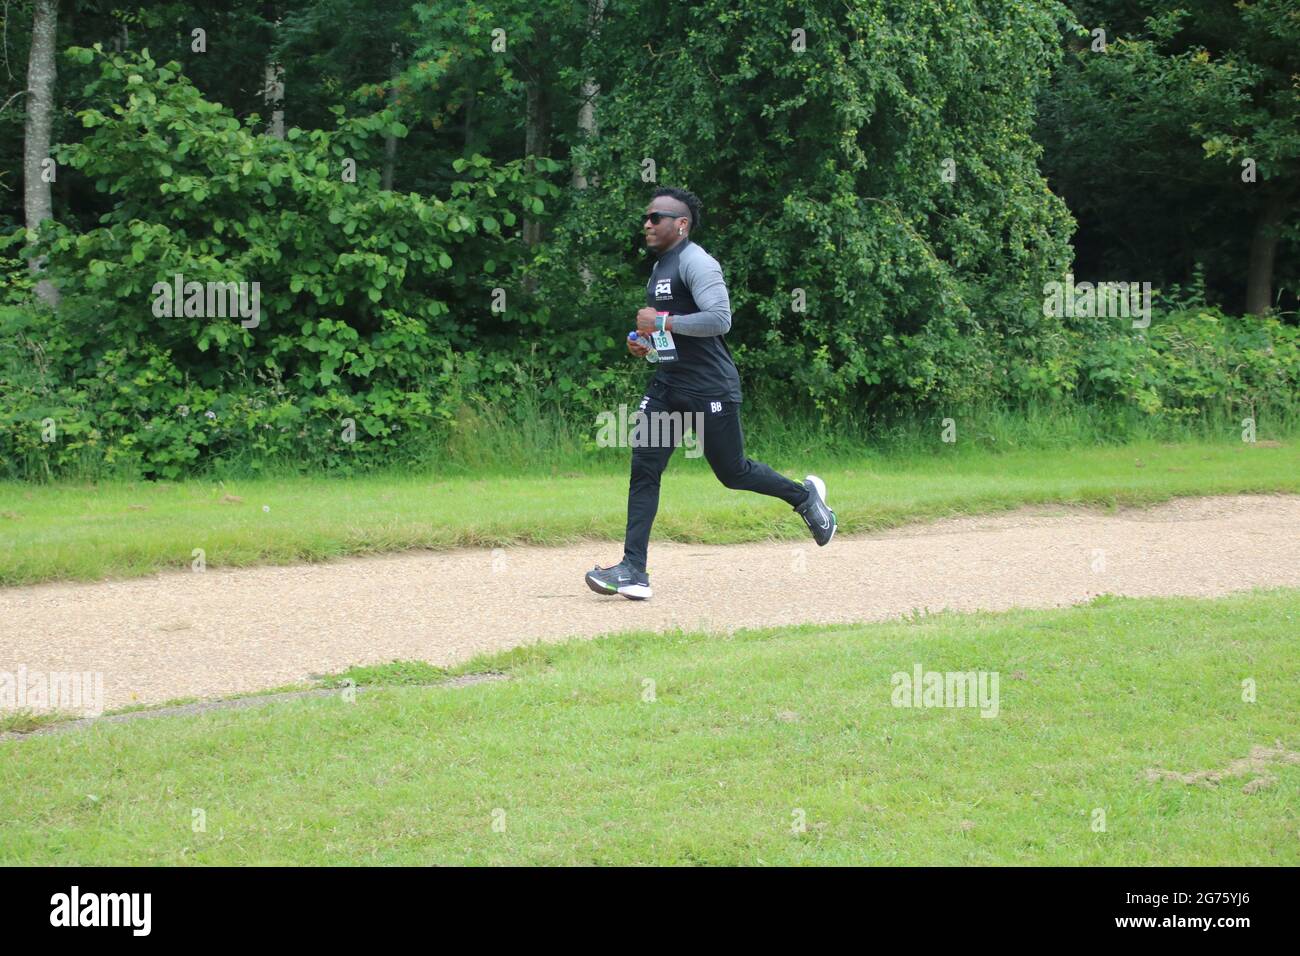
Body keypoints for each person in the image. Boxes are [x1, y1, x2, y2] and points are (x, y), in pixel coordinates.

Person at [585, 187, 836, 600]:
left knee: (732, 472)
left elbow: (719, 320)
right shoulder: (659, 268)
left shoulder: (697, 262)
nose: (647, 224)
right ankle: (633, 570)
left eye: (656, 217)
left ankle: (804, 497)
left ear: (680, 224)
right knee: (644, 470)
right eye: (646, 217)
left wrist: (661, 321)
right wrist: (646, 345)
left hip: (710, 389)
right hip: (667, 387)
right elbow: (671, 337)